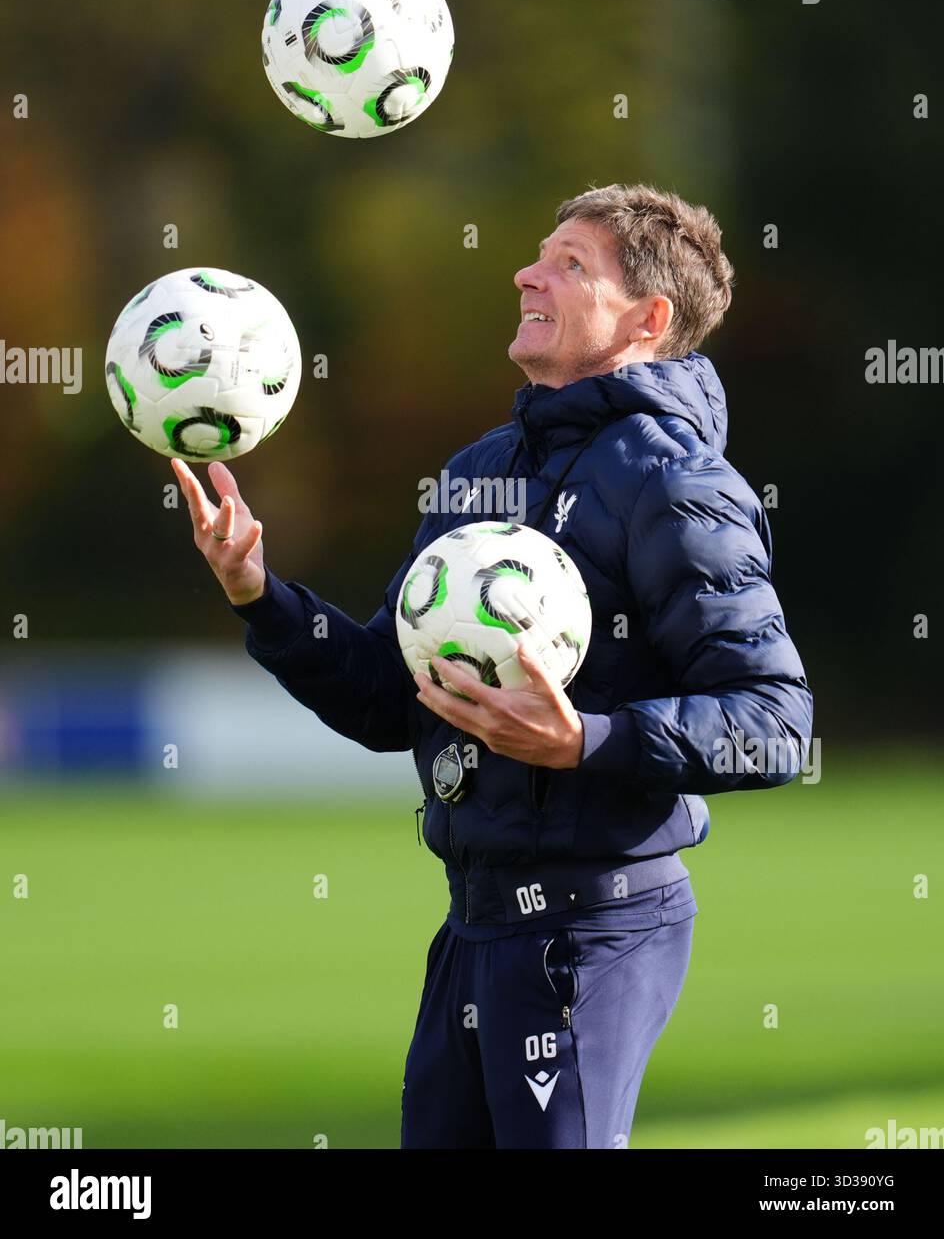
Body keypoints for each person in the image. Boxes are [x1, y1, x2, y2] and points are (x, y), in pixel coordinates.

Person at [171, 182, 813, 1149]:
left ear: (649, 318)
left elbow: (777, 723)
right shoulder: (478, 469)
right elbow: (392, 700)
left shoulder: (675, 482)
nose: (527, 271)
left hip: (595, 935)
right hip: (471, 932)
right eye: (537, 251)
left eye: (570, 263)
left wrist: (584, 742)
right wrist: (261, 593)